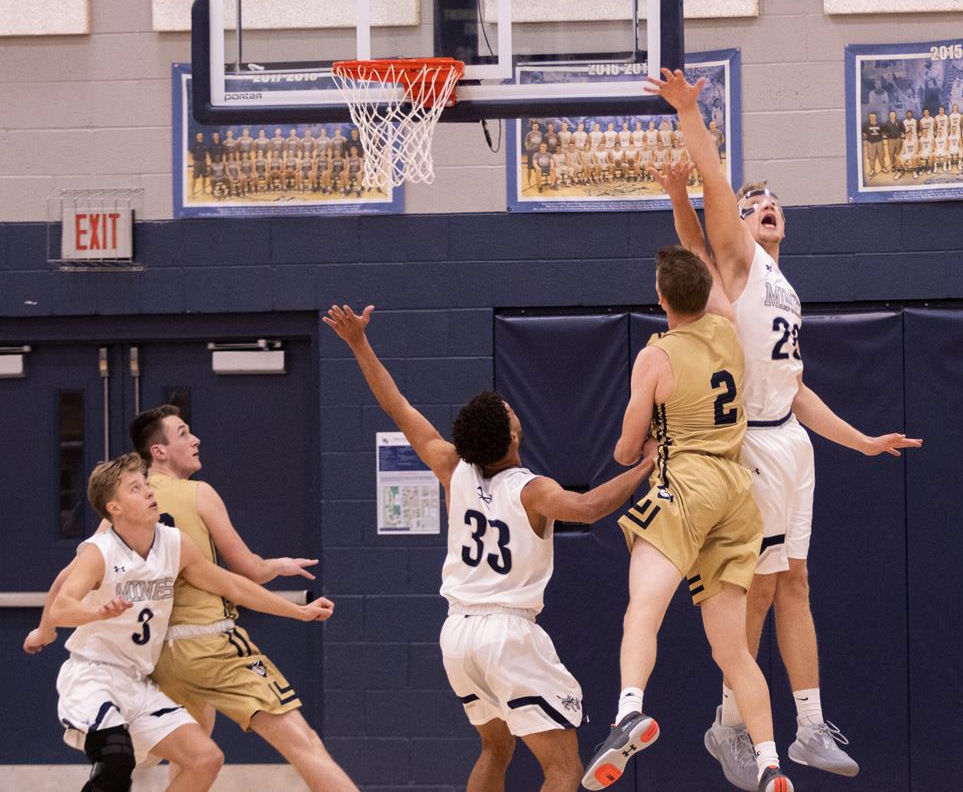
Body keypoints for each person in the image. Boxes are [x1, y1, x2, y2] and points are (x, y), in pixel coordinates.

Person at [649, 69, 921, 789]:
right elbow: (711, 196)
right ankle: (732, 721)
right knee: (762, 591)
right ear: (738, 223)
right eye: (752, 202)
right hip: (752, 447)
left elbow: (795, 391)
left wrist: (861, 441)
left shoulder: (776, 285)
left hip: (791, 441)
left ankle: (807, 726)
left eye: (774, 202)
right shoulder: (738, 267)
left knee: (793, 584)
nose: (764, 206)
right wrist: (689, 114)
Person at [323, 304, 656, 792]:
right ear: (514, 434)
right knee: (563, 766)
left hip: (457, 635)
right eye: (507, 411)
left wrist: (358, 344)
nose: (511, 408)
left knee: (496, 747)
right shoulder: (532, 489)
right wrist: (645, 467)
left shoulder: (450, 467)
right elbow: (587, 508)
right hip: (507, 634)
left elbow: (397, 404)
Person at [578, 245, 792, 792]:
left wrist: (648, 439)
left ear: (660, 298)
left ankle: (629, 711)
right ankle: (769, 763)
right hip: (739, 495)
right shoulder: (728, 331)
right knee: (734, 650)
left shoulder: (656, 356)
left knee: (642, 612)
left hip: (687, 484)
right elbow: (712, 279)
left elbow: (627, 450)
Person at [43, 452, 333, 792]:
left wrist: (295, 611)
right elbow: (61, 608)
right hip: (93, 673)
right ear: (114, 508)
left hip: (138, 680)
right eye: (136, 488)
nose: (150, 492)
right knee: (116, 760)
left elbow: (230, 584)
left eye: (147, 484)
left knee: (205, 760)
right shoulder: (98, 552)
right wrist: (96, 612)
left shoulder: (173, 543)